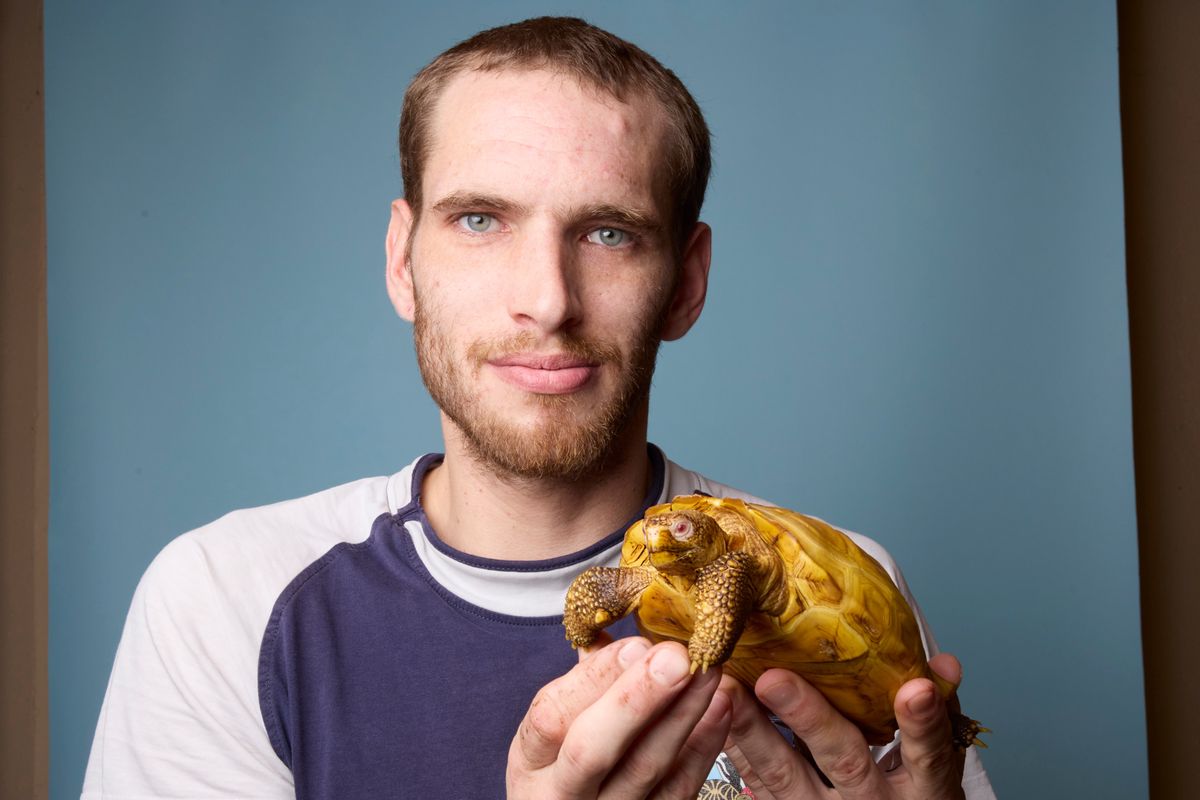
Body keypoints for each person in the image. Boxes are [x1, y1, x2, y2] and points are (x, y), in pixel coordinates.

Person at [82, 16, 995, 800]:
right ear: (403, 261)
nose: (548, 300)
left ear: (686, 282)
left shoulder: (843, 585)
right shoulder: (225, 602)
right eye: (480, 219)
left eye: (608, 233)